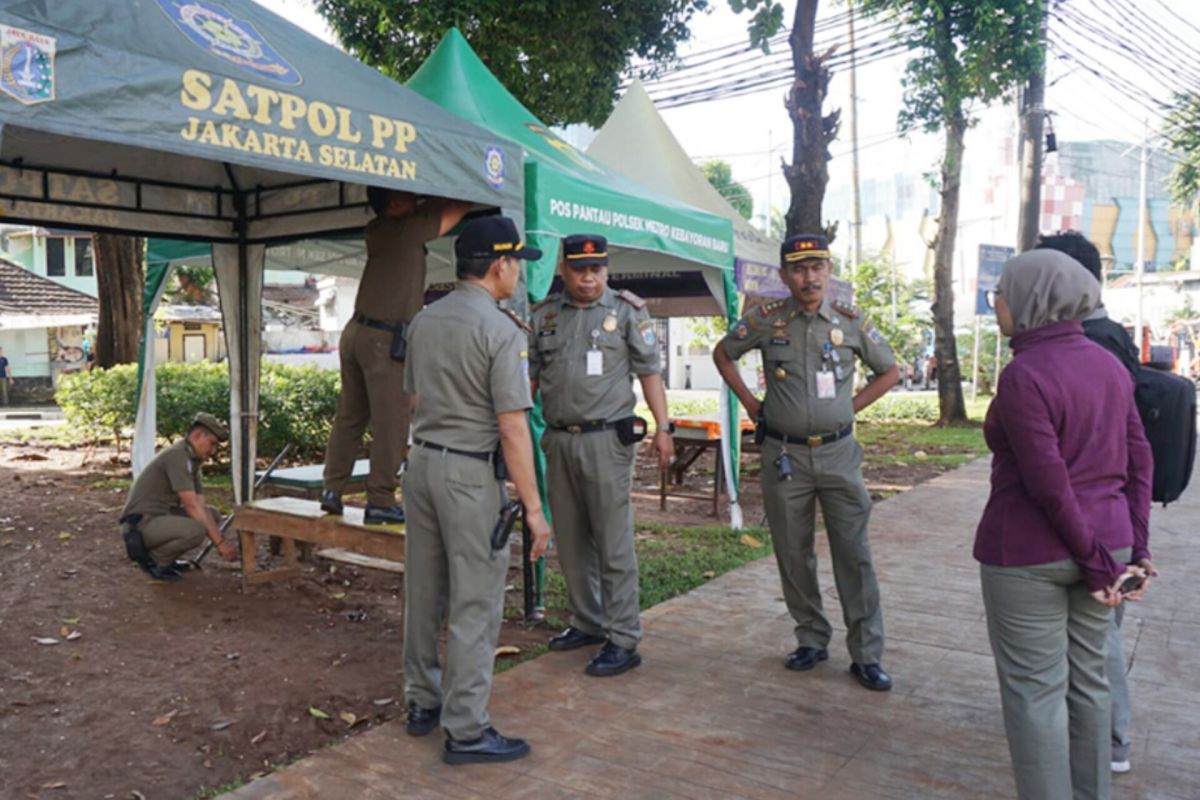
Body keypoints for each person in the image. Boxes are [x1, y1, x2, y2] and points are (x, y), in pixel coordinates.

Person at [975, 249, 1153, 800]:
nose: (996, 302)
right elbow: (1138, 457)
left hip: (1029, 555)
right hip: (1106, 543)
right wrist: (1132, 551)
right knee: (1091, 684)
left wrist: (1099, 564)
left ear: (1030, 300)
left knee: (1036, 694)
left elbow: (1047, 482)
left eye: (999, 292)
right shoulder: (1109, 365)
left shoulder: (1023, 374)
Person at [713, 233, 900, 691]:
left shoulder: (851, 322)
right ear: (784, 276)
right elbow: (724, 353)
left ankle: (866, 653)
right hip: (785, 456)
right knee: (793, 553)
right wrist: (753, 405)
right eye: (799, 268)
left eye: (817, 266)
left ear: (829, 271)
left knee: (854, 555)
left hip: (838, 454)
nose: (809, 276)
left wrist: (846, 409)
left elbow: (890, 371)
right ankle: (812, 637)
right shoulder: (766, 319)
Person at [401, 215, 552, 765]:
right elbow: (512, 426)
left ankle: (422, 702)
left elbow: (412, 401)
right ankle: (466, 729)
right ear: (499, 265)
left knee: (424, 591)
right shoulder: (501, 329)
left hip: (421, 466)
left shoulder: (424, 320)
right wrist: (534, 508)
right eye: (517, 264)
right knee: (475, 600)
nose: (518, 274)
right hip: (469, 475)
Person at [1034, 230, 1155, 775]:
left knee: (1096, 642)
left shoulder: (1087, 346)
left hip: (1091, 528)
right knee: (1094, 640)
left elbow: (1059, 472)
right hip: (1109, 524)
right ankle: (1102, 740)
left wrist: (1099, 557)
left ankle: (1110, 741)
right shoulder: (1106, 340)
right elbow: (1137, 455)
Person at [529, 234, 674, 677]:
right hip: (558, 439)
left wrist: (664, 428)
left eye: (596, 269)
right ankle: (587, 622)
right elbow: (529, 379)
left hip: (607, 442)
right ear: (564, 270)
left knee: (612, 541)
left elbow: (649, 373)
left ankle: (623, 637)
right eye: (578, 269)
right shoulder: (545, 315)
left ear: (606, 270)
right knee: (571, 540)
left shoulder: (628, 311)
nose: (588, 277)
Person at [320, 187, 470, 525]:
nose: (415, 200)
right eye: (408, 196)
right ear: (393, 204)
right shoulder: (406, 231)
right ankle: (381, 500)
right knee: (391, 422)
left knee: (350, 416)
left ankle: (332, 488)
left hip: (357, 332)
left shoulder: (379, 230)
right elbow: (458, 202)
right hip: (383, 339)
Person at [119, 413, 238, 581]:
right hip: (140, 524)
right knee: (196, 530)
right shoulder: (178, 456)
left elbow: (201, 506)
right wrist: (220, 543)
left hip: (159, 517)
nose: (213, 451)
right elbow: (192, 507)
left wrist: (220, 540)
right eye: (212, 444)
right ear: (198, 436)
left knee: (213, 515)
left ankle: (167, 560)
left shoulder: (192, 461)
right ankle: (157, 561)